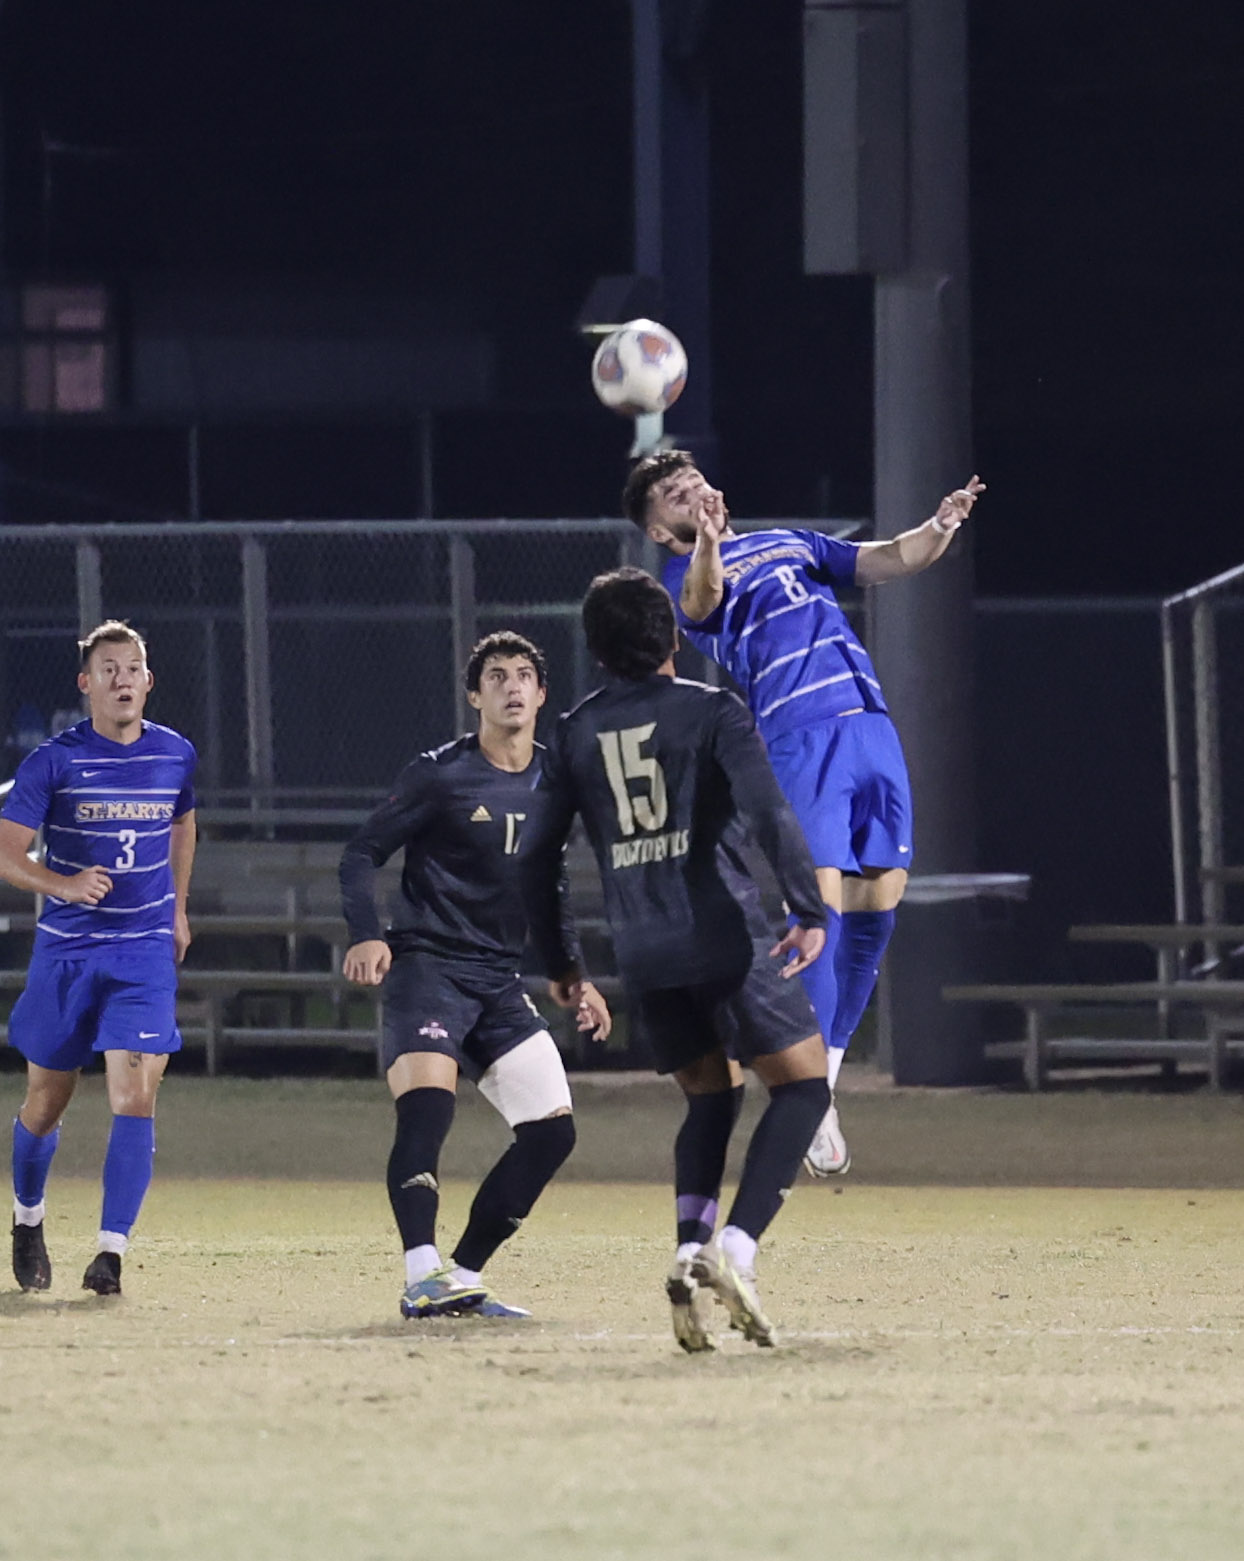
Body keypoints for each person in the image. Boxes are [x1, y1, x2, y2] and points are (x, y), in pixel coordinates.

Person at [624, 452, 985, 1176]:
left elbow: (883, 560)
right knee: (820, 909)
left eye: (688, 479)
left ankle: (827, 1078)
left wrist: (939, 527)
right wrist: (707, 542)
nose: (686, 490)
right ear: (663, 531)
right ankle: (805, 1084)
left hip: (870, 725)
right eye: (670, 495)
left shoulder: (791, 540)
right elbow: (700, 605)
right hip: (800, 736)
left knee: (879, 901)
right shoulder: (683, 577)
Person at [527, 567, 831, 1352]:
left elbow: (537, 859)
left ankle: (690, 1246)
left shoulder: (574, 730)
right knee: (802, 1087)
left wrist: (561, 960)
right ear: (672, 637)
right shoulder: (711, 711)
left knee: (711, 1100)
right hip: (722, 935)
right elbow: (768, 808)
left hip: (644, 950)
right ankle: (736, 1249)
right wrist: (807, 904)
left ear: (595, 648)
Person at [339, 631, 611, 1321]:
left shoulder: (558, 781)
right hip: (428, 966)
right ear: (474, 695)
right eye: (497, 676)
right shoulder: (440, 773)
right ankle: (421, 1269)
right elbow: (361, 851)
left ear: (542, 694)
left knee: (552, 1132)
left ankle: (460, 1275)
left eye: (525, 675)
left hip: (496, 981)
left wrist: (572, 973)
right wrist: (368, 934)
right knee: (429, 1106)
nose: (512, 686)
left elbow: (549, 886)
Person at [0, 620, 197, 1298]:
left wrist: (178, 905)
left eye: (132, 667)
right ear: (87, 684)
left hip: (140, 952)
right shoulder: (53, 761)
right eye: (107, 669)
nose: (122, 679)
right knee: (46, 1102)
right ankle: (27, 1219)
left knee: (134, 1092)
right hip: (68, 951)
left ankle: (110, 1253)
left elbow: (182, 821)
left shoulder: (175, 755)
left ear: (148, 679)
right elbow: (4, 855)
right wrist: (64, 883)